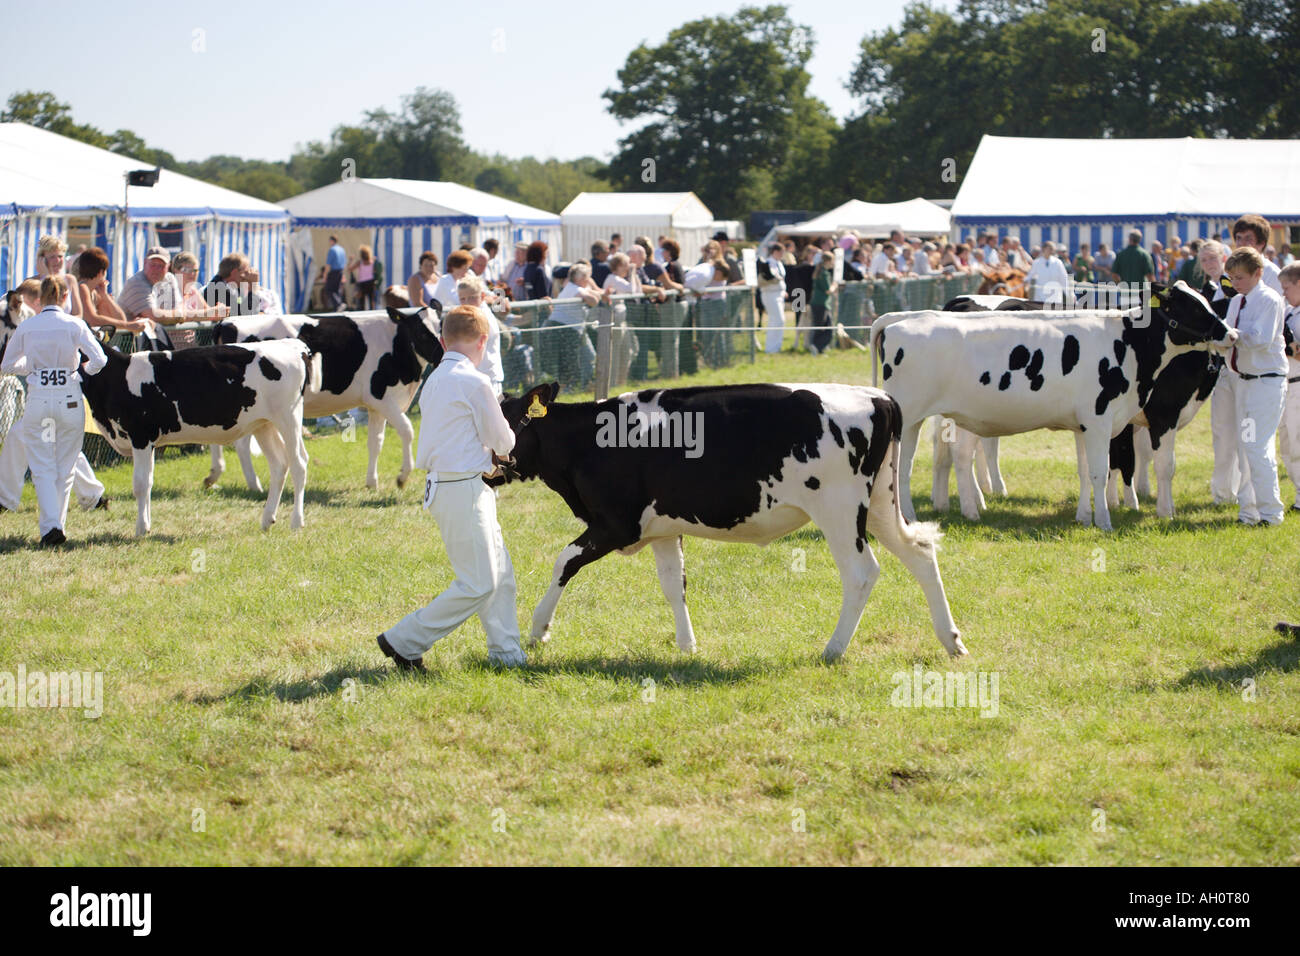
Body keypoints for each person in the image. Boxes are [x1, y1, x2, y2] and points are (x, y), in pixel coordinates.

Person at [376, 305, 526, 671]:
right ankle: (403, 640)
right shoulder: (476, 382)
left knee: (499, 575)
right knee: (479, 583)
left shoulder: (436, 379)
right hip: (462, 488)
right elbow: (501, 441)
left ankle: (507, 654)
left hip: (454, 486)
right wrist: (509, 433)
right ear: (484, 342)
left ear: (442, 340)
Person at [0, 276, 108, 546]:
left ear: (41, 299)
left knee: (43, 468)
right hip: (70, 399)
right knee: (66, 466)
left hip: (39, 401)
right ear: (63, 297)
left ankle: (52, 527)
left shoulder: (28, 326)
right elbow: (100, 359)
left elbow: (8, 364)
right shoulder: (74, 323)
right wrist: (83, 370)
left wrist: (35, 368)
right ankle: (53, 526)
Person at [1224, 246, 1287, 526]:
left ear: (1258, 273)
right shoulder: (1237, 302)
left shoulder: (1270, 300)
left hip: (1267, 382)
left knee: (1258, 447)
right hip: (1244, 383)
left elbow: (1261, 339)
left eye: (1240, 277)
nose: (1235, 283)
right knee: (1246, 446)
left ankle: (1271, 513)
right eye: (1232, 278)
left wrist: (1232, 336)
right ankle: (1248, 511)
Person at [1201, 240, 1244, 505]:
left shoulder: (1234, 288)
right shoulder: (1206, 290)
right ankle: (1221, 490)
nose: (1208, 265)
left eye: (1212, 259)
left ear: (1224, 257)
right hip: (1218, 366)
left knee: (1244, 429)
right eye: (1204, 261)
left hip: (1240, 365)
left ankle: (1241, 489)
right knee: (1221, 428)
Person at [545, 261, 602, 388]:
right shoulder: (575, 289)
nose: (588, 279)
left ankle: (576, 385)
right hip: (565, 330)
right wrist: (593, 293)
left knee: (578, 358)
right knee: (568, 360)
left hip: (567, 329)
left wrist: (592, 292)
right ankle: (568, 387)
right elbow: (593, 301)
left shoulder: (572, 287)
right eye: (586, 277)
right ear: (579, 278)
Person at [74, 247, 144, 335]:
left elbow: (120, 319)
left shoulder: (95, 293)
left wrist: (105, 296)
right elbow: (92, 320)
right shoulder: (82, 288)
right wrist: (128, 325)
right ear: (101, 272)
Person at [1275, 263, 1300, 510]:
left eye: (1287, 287)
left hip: (1299, 386)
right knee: (1286, 444)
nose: (1283, 293)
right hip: (1284, 384)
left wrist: (1292, 349)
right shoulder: (1290, 313)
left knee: (1298, 443)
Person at [457, 275, 504, 396]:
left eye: (472, 297)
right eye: (462, 299)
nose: (467, 302)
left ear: (482, 296)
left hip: (488, 378)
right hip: (478, 376)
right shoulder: (473, 314)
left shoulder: (481, 316)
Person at [601, 251, 641, 384]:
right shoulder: (613, 278)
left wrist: (634, 274)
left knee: (628, 350)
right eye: (625, 264)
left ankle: (620, 381)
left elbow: (637, 291)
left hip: (622, 320)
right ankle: (612, 383)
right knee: (615, 352)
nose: (628, 267)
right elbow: (631, 290)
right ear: (618, 265)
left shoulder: (619, 279)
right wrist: (632, 273)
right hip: (614, 318)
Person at [1232, 214, 1283, 295]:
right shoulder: (1230, 272)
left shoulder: (1273, 274)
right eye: (1239, 238)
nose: (1242, 243)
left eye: (1248, 238)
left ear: (1261, 243)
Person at [755, 243, 787, 355]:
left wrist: (783, 290)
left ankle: (776, 346)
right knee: (777, 319)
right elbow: (769, 277)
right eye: (781, 252)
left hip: (779, 294)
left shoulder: (779, 263)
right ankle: (771, 348)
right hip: (770, 294)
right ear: (775, 251)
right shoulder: (767, 263)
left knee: (779, 320)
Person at [203, 253, 257, 317]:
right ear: (234, 272)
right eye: (245, 272)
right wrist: (252, 285)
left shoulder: (234, 287)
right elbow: (244, 313)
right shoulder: (217, 288)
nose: (247, 276)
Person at [1025, 240, 1070, 305]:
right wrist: (1025, 280)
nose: (1052, 251)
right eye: (1050, 249)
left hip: (1055, 297)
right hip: (1040, 297)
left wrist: (1069, 294)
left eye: (1053, 249)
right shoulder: (1037, 262)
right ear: (1044, 249)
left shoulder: (1058, 263)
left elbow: (1064, 278)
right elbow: (1030, 276)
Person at [809, 249, 836, 355]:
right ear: (828, 261)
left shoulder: (820, 271)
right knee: (824, 328)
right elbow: (828, 290)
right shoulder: (824, 273)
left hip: (819, 303)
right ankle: (816, 346)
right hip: (821, 304)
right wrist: (835, 285)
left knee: (824, 327)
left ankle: (818, 348)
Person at [349, 245, 379, 310]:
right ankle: (372, 314)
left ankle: (362, 314)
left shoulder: (360, 262)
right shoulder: (372, 261)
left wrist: (350, 260)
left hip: (362, 283)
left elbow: (350, 269)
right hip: (371, 282)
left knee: (361, 302)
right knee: (371, 301)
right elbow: (375, 271)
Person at [323, 236, 347, 310]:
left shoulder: (332, 250)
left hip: (333, 272)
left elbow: (328, 264)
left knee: (329, 289)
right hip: (340, 272)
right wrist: (343, 274)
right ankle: (337, 307)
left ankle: (338, 304)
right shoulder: (342, 249)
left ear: (332, 241)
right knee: (337, 290)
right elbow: (344, 263)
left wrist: (325, 274)